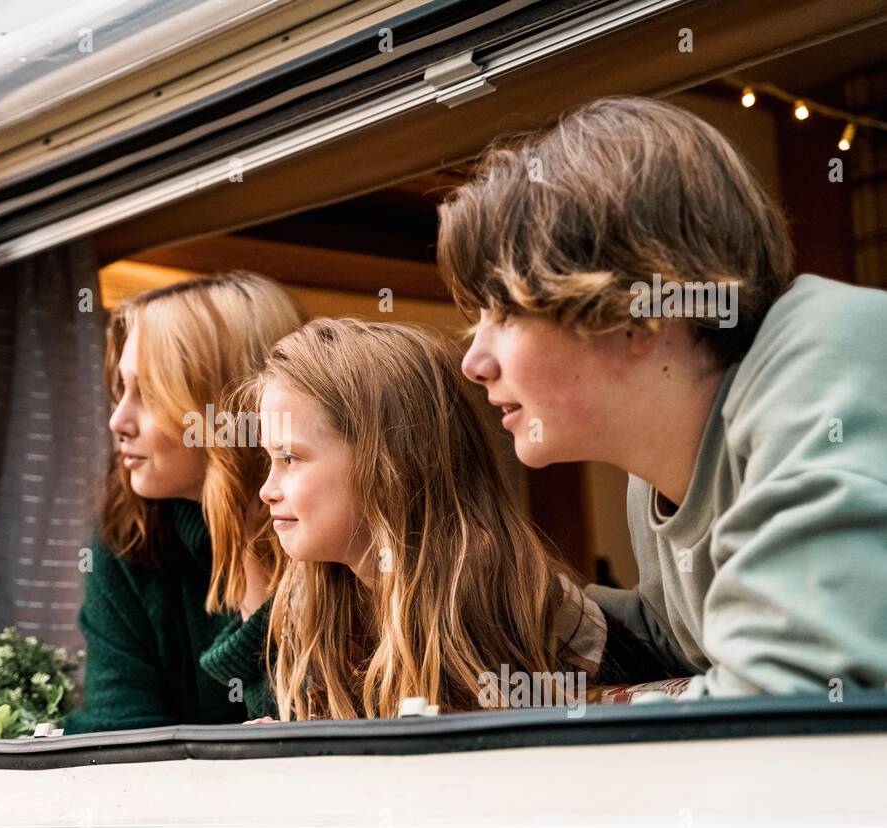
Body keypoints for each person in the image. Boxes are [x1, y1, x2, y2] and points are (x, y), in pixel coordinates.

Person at [441, 95, 887, 699]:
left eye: (505, 312)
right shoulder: (655, 478)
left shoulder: (831, 355)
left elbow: (787, 698)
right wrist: (500, 595)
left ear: (639, 309)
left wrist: (587, 706)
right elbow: (682, 642)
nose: (474, 362)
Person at [220, 317, 642, 722]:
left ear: (386, 465)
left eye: (290, 458)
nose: (267, 489)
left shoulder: (481, 580)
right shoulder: (309, 594)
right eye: (270, 460)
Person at [61, 272, 305, 733]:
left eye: (149, 394)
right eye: (121, 389)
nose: (118, 420)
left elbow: (308, 737)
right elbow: (116, 736)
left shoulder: (330, 534)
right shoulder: (130, 534)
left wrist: (249, 543)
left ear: (228, 401)